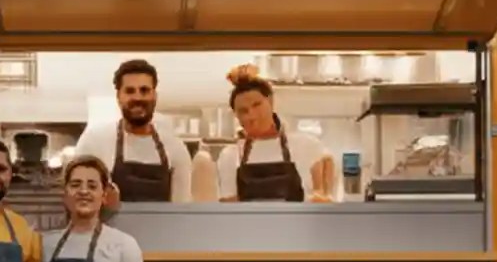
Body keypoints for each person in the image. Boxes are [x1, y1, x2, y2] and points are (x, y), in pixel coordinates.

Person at [74, 59, 192, 204]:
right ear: (118, 97)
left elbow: (182, 208)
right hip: (108, 227)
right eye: (130, 91)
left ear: (155, 95)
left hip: (164, 226)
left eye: (144, 90)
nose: (137, 97)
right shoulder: (94, 141)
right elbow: (76, 202)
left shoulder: (175, 147)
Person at [216, 64, 336, 202]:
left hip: (297, 223)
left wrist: (324, 197)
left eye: (257, 105)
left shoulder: (305, 144)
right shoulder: (230, 155)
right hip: (250, 223)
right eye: (243, 111)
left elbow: (327, 162)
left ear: (271, 101)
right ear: (236, 116)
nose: (252, 115)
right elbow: (228, 209)